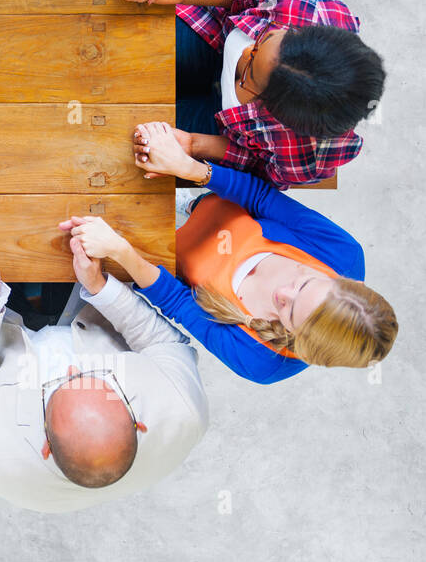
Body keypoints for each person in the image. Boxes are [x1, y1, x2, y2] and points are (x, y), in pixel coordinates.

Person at [67, 120, 397, 384]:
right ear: (338, 277)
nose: (284, 292)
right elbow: (260, 198)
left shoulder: (260, 362)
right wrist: (187, 168)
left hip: (157, 261)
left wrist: (122, 252)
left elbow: (178, 302)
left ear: (301, 345)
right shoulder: (342, 252)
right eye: (304, 282)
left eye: (289, 311)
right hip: (201, 197)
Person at [0, 231, 209, 513]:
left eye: (57, 386)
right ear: (139, 423)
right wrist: (100, 286)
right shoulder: (184, 412)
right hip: (86, 312)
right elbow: (164, 343)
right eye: (97, 380)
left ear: (45, 445)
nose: (71, 368)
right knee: (67, 235)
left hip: (2, 336)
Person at [120, 0, 384, 187]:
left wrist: (193, 145)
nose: (245, 52)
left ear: (276, 112)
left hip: (221, 130)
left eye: (250, 73)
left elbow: (259, 167)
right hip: (210, 36)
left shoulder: (311, 155)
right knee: (122, 54)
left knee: (125, 137)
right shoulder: (305, 4)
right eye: (262, 41)